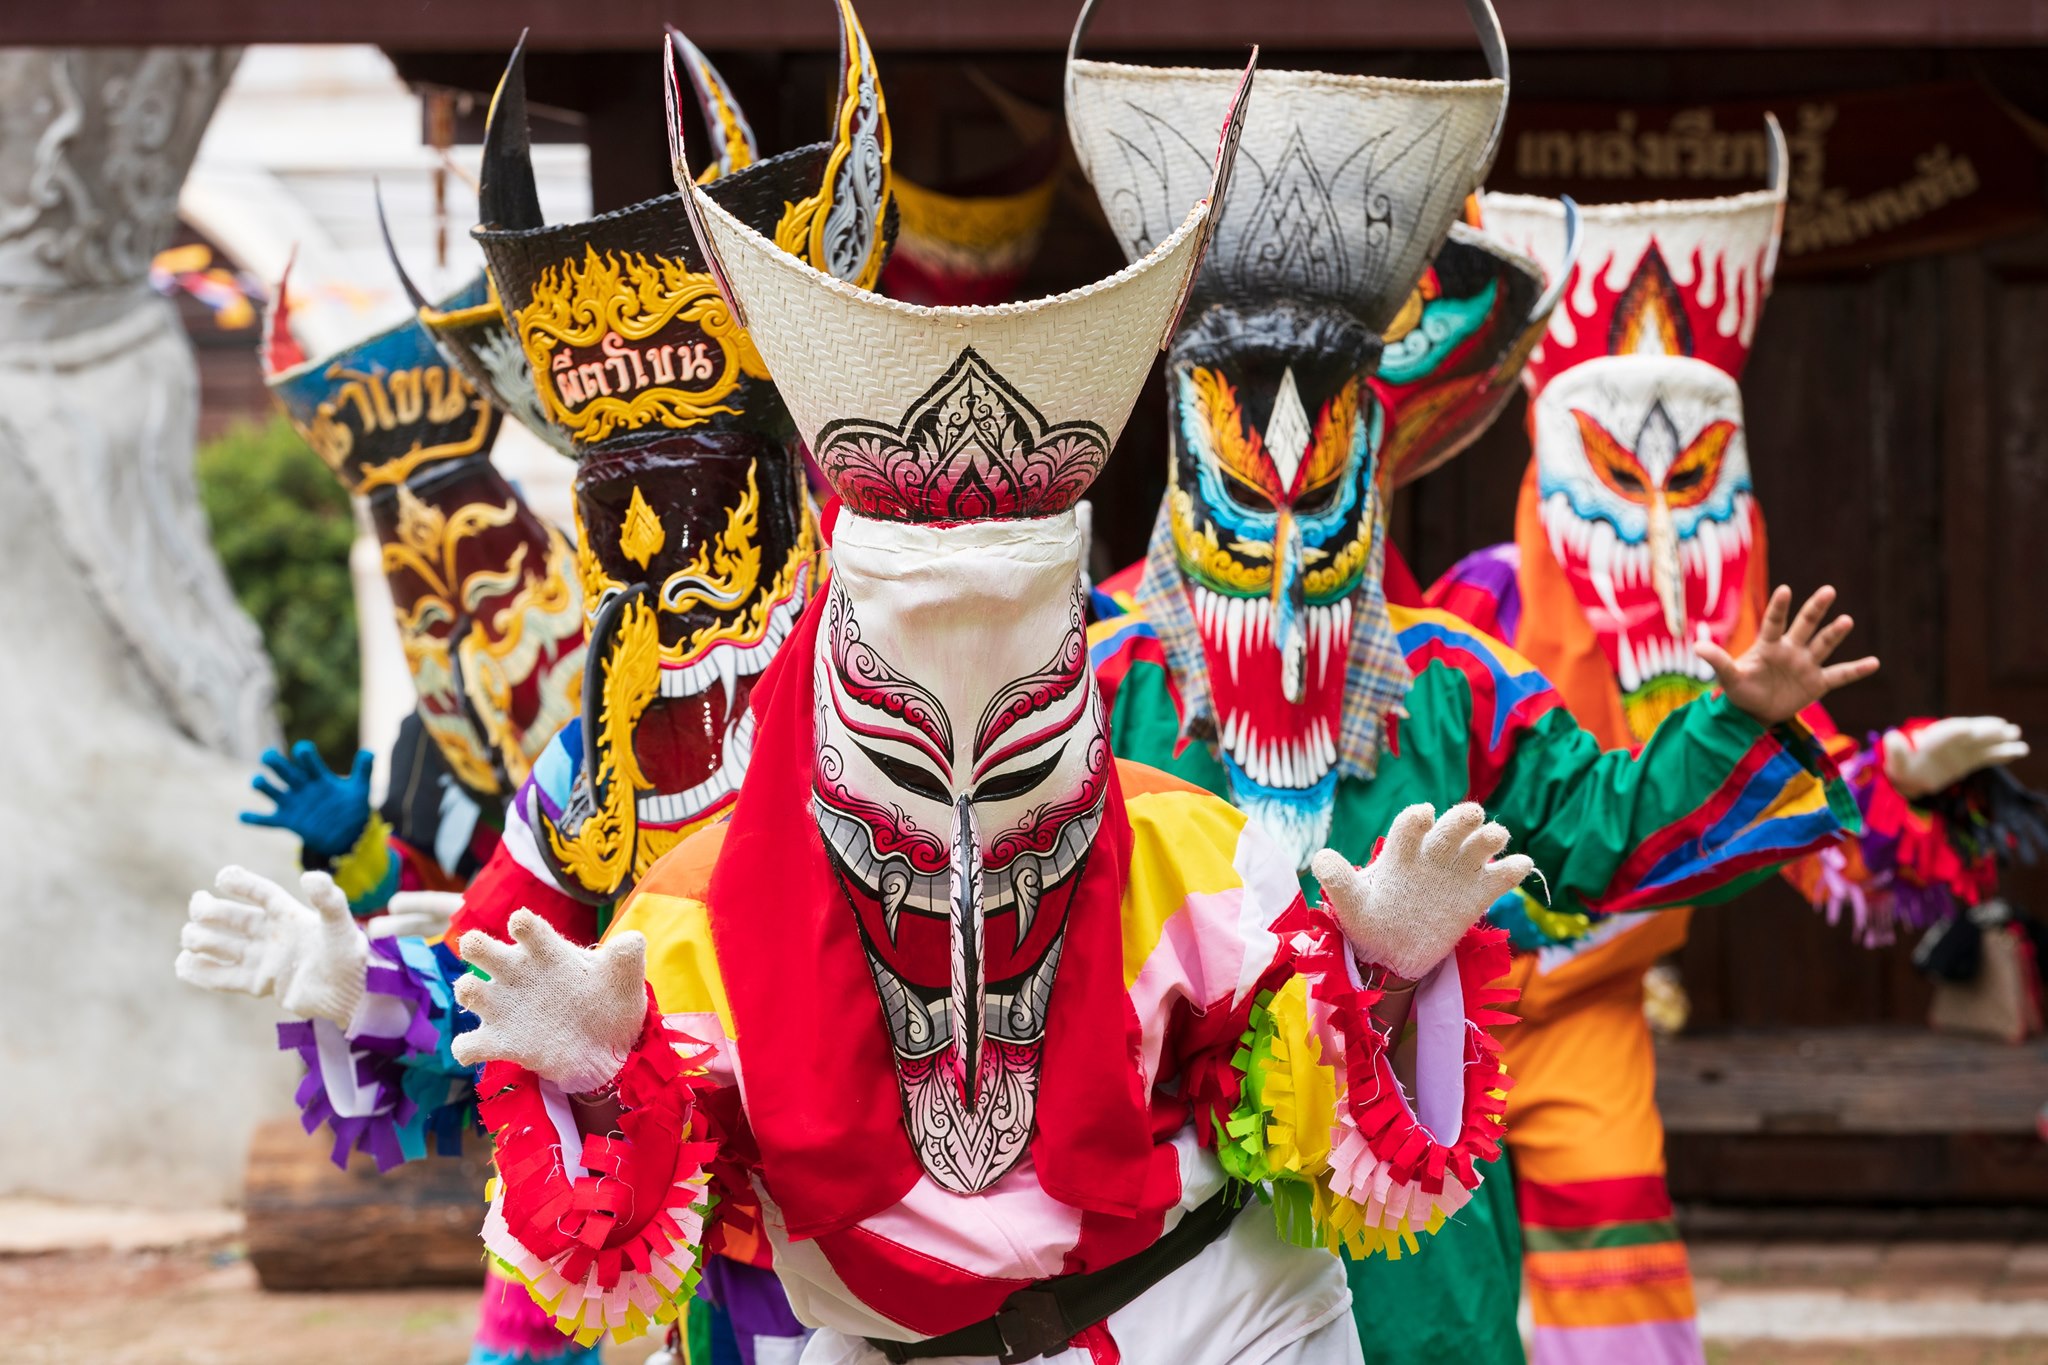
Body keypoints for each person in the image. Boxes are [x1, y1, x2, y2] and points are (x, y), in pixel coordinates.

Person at [1064, 20, 1894, 1365]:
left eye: (1321, 492)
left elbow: (1606, 825)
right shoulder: (1100, 681)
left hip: (1411, 1236)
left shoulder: (1453, 683)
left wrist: (1740, 718)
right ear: (1181, 465)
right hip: (1169, 1233)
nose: (1284, 550)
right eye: (1249, 494)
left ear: (1375, 465)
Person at [176, 11, 896, 1362]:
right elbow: (505, 949)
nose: (648, 555)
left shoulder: (886, 690)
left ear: (778, 488)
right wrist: (368, 985)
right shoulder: (603, 747)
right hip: (713, 1249)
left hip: (913, 1245)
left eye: (686, 503)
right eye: (612, 507)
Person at [1411, 143, 2033, 1364]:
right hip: (1447, 1006)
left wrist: (1900, 781)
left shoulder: (1729, 652)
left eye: (1690, 481)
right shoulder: (1470, 619)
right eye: (1617, 477)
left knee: (1617, 1275)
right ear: (1545, 463)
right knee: (1431, 1274)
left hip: (1589, 1012)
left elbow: (1806, 825)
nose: (1652, 525)